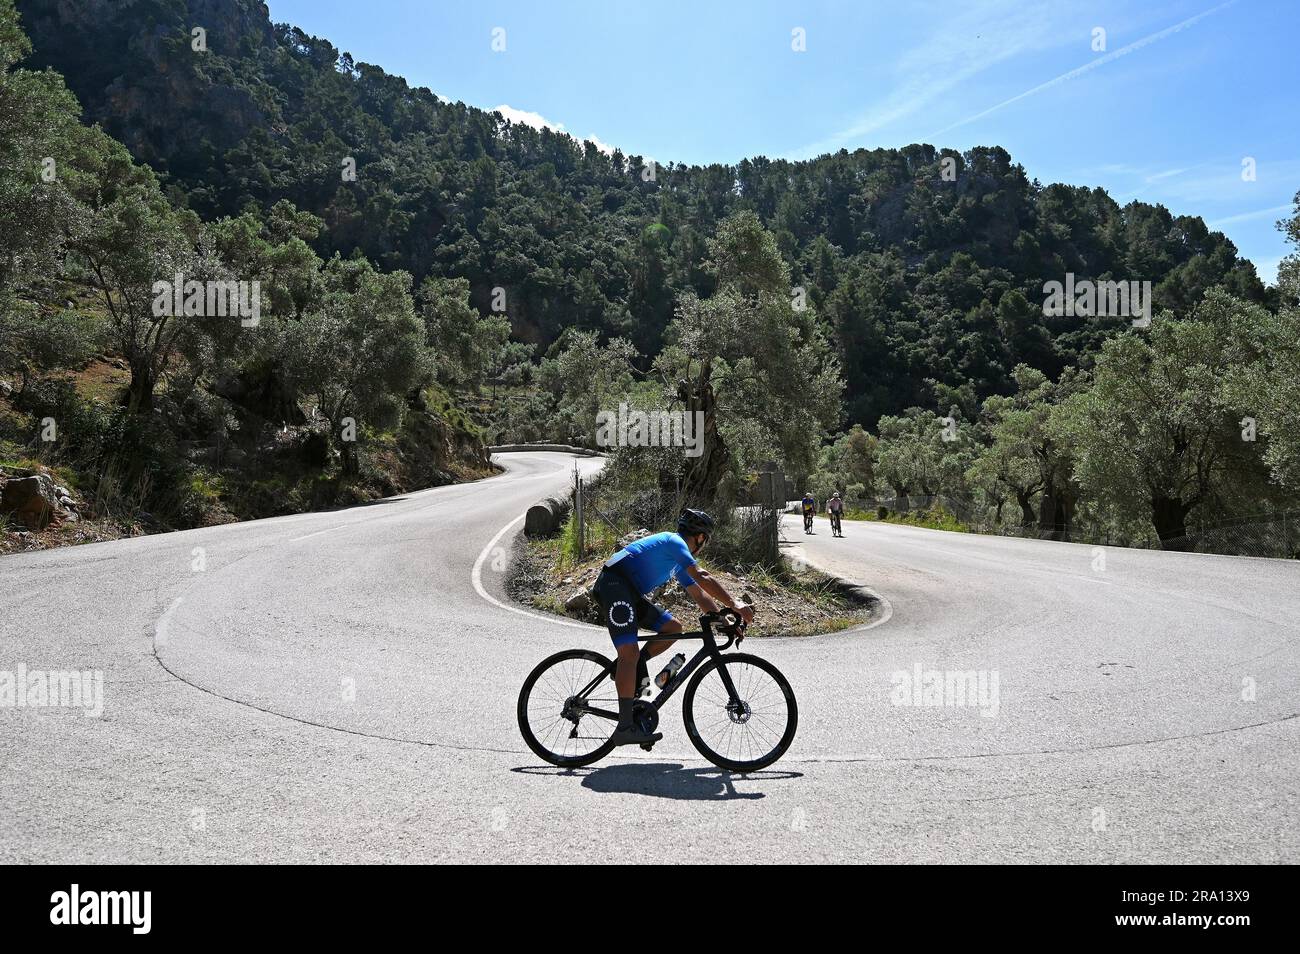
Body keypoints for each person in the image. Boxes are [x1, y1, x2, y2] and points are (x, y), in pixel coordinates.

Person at [593, 509, 754, 746]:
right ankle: (625, 727)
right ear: (700, 538)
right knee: (629, 652)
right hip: (613, 585)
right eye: (705, 541)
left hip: (629, 591)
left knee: (672, 628)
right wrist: (735, 604)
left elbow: (699, 594)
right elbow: (702, 576)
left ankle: (632, 666)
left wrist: (725, 622)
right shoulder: (674, 542)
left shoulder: (677, 559)